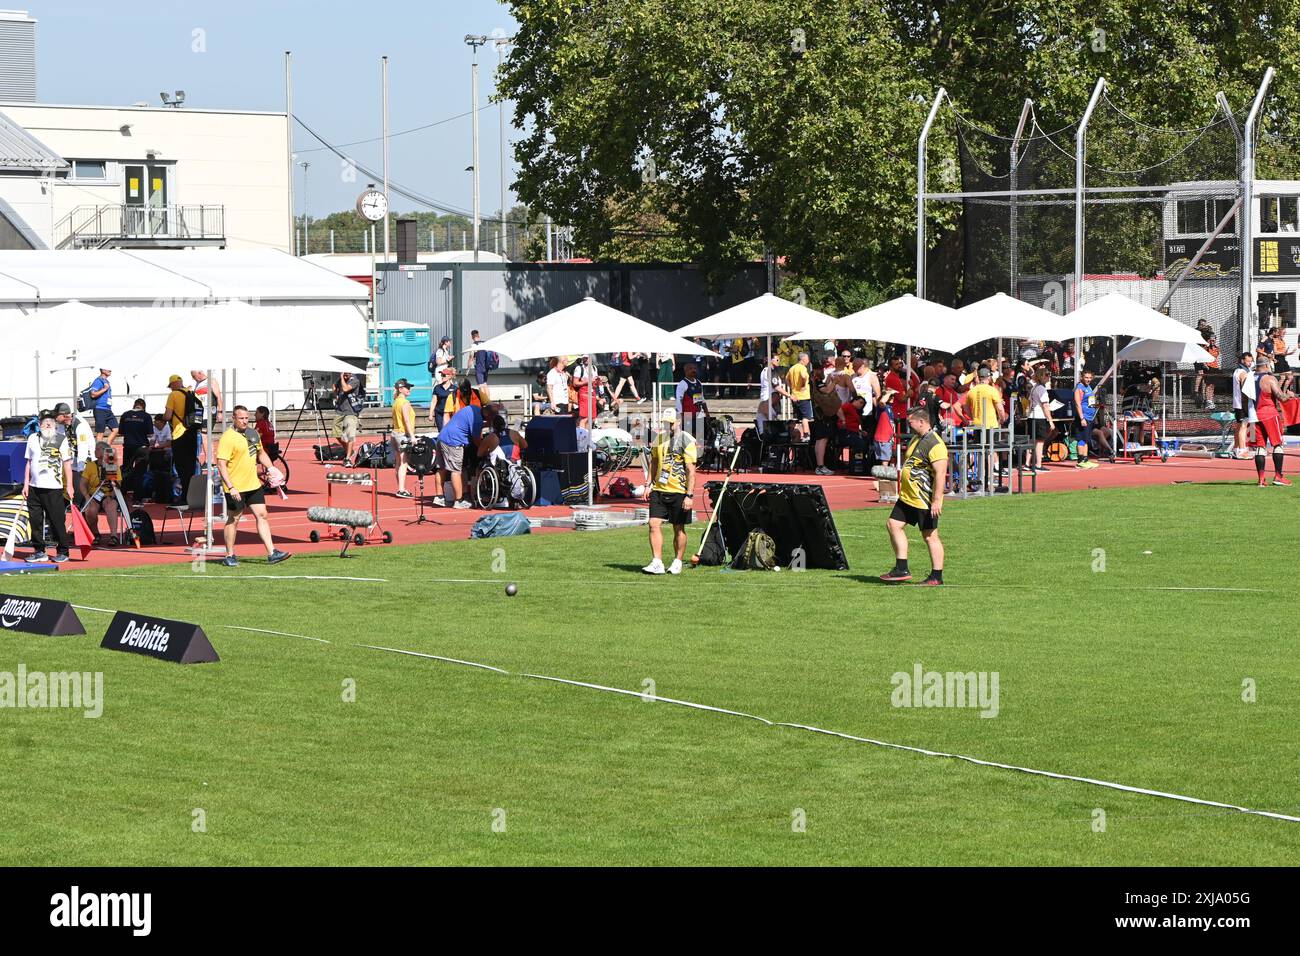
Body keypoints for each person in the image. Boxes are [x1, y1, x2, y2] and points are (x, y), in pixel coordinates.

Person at [215, 405, 291, 567]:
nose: (244, 421)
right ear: (233, 419)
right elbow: (221, 464)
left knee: (262, 515)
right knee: (234, 519)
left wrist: (271, 468)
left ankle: (272, 553)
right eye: (241, 418)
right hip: (235, 486)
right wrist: (231, 487)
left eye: (246, 418)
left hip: (253, 484)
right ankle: (229, 555)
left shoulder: (253, 433)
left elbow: (261, 453)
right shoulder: (227, 438)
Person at [880, 407, 947, 586]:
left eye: (911, 422)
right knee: (893, 524)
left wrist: (937, 501)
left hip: (923, 499)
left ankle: (936, 576)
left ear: (921, 422)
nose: (908, 426)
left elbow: (941, 473)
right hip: (908, 497)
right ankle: (901, 568)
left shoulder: (935, 444)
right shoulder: (917, 438)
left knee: (930, 536)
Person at [643, 408, 698, 575]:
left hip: (679, 491)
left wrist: (689, 495)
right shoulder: (659, 439)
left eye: (671, 423)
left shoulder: (687, 441)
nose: (668, 426)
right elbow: (654, 461)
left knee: (678, 528)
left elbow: (691, 470)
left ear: (678, 422)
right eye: (666, 423)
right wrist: (648, 484)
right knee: (653, 523)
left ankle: (677, 561)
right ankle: (657, 562)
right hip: (659, 489)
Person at [23, 410, 73, 564]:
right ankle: (39, 551)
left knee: (56, 521)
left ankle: (63, 551)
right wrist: (26, 483)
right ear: (39, 424)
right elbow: (29, 462)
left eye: (51, 421)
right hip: (34, 487)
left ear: (55, 424)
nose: (48, 424)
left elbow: (67, 463)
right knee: (35, 521)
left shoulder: (61, 439)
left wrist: (70, 485)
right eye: (45, 422)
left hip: (53, 488)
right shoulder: (32, 438)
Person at [433, 388, 484, 509]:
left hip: (442, 437)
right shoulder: (477, 420)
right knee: (456, 470)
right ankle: (459, 500)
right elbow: (477, 441)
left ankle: (439, 497)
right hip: (453, 442)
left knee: (441, 468)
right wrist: (485, 450)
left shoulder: (471, 409)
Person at [1249, 355, 1293, 487]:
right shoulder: (1269, 379)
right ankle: (1278, 476)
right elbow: (1281, 397)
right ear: (1266, 365)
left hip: (1253, 416)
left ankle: (1261, 480)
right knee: (1277, 444)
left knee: (1259, 447)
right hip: (1269, 414)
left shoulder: (1248, 378)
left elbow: (1244, 399)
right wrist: (1289, 395)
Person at [81, 441, 123, 545]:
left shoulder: (111, 464)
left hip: (109, 493)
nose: (95, 451)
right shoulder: (90, 465)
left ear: (105, 452)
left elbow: (118, 484)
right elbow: (82, 484)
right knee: (90, 509)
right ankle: (95, 534)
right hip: (94, 494)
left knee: (110, 506)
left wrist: (111, 495)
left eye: (97, 449)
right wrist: (87, 497)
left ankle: (114, 536)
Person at [53, 402, 95, 502]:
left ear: (64, 416)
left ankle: (82, 504)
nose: (55, 418)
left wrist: (80, 468)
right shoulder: (63, 424)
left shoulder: (80, 425)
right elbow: (59, 440)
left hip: (85, 461)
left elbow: (83, 448)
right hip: (73, 459)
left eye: (56, 415)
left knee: (80, 488)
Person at [165, 374, 199, 494]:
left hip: (179, 434)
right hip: (192, 432)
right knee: (191, 465)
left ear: (173, 384)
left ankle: (184, 494)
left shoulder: (173, 395)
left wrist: (164, 418)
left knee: (181, 466)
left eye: (170, 386)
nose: (170, 388)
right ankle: (192, 493)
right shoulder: (192, 393)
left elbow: (168, 416)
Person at [332, 369, 364, 466]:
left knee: (350, 435)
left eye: (347, 375)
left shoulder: (355, 380)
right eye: (344, 375)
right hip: (340, 411)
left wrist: (342, 378)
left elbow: (346, 389)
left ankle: (347, 459)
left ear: (350, 373)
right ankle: (349, 451)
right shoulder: (341, 379)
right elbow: (334, 386)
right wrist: (336, 396)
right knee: (336, 433)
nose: (345, 376)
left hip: (351, 412)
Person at [391, 378, 416, 498]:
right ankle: (401, 489)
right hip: (402, 434)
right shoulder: (405, 403)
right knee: (404, 462)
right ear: (401, 389)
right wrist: (412, 436)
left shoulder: (396, 401)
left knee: (398, 462)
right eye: (407, 387)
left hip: (395, 433)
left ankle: (401, 487)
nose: (409, 389)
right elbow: (406, 421)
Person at [1028, 366, 1054, 473]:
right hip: (1039, 417)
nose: (1048, 377)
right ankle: (1038, 464)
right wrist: (1050, 420)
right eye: (1047, 375)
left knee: (1032, 441)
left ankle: (1027, 463)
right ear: (1042, 376)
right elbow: (1045, 406)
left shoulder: (1034, 387)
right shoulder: (1042, 389)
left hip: (1032, 416)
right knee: (1040, 441)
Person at [1072, 369, 1100, 470]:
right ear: (1082, 377)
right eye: (1086, 377)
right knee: (1081, 439)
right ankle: (1080, 462)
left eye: (1090, 378)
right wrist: (1082, 418)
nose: (1088, 379)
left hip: (1089, 417)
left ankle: (1085, 459)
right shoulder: (1079, 388)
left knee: (1086, 439)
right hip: (1083, 417)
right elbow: (1078, 403)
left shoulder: (1088, 387)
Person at [1232, 352, 1255, 458]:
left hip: (1238, 403)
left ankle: (1236, 448)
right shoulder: (1243, 373)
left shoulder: (1237, 371)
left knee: (1239, 426)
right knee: (1243, 426)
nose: (1250, 363)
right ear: (1242, 361)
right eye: (1248, 361)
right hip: (1243, 403)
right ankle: (1242, 450)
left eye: (1251, 361)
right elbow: (1246, 389)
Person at [675, 361, 707, 440]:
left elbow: (702, 399)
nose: (693, 370)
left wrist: (707, 412)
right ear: (685, 370)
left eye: (695, 368)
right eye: (691, 368)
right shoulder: (682, 384)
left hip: (699, 414)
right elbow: (679, 401)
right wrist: (680, 415)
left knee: (700, 437)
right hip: (687, 415)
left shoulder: (699, 383)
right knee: (688, 437)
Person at [785, 353, 812, 443]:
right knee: (805, 417)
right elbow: (803, 376)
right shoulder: (802, 368)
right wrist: (803, 385)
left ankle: (792, 434)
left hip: (795, 396)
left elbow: (786, 379)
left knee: (798, 417)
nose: (808, 361)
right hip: (803, 396)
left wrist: (792, 387)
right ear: (803, 359)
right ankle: (806, 435)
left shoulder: (792, 368)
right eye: (807, 359)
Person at [118, 397, 152, 467]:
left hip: (128, 445)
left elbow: (121, 432)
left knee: (127, 468)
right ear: (144, 407)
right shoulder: (147, 416)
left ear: (134, 405)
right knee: (141, 469)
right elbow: (150, 434)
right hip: (142, 446)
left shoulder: (125, 414)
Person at [88, 368, 118, 444]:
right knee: (100, 432)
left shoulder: (106, 381)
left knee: (116, 429)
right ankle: (99, 450)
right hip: (99, 409)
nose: (110, 371)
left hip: (108, 409)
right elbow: (93, 394)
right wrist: (105, 389)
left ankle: (107, 446)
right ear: (103, 370)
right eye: (109, 369)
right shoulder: (98, 381)